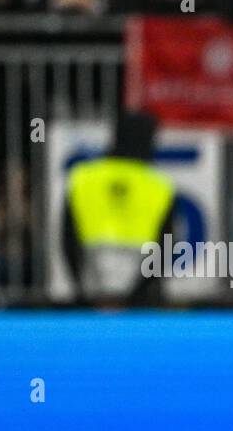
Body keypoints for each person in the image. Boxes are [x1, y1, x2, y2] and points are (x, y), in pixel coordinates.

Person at [62, 111, 175, 305]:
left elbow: (67, 239)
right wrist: (137, 297)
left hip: (90, 292)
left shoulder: (82, 178)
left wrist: (81, 290)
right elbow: (165, 248)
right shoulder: (160, 186)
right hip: (140, 298)